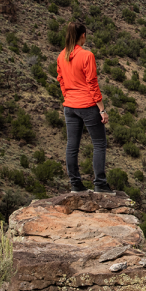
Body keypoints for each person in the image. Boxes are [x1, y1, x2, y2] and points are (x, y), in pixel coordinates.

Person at [56, 21, 114, 193]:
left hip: (70, 106)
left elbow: (61, 80)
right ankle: (100, 184)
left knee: (72, 145)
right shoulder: (87, 56)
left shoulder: (61, 56)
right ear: (83, 35)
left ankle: (75, 184)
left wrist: (68, 96)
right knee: (99, 143)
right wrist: (102, 109)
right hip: (87, 105)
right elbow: (92, 83)